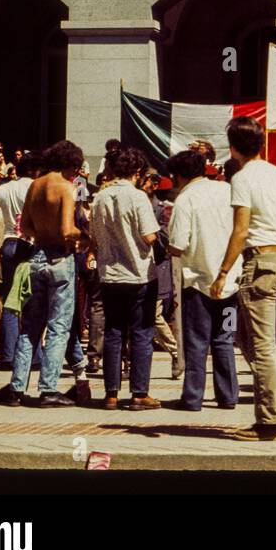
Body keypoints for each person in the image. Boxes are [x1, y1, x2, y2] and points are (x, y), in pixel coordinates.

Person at [210, 115, 276, 441]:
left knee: (261, 345)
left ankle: (271, 421)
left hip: (259, 262)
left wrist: (223, 271)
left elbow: (240, 230)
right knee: (246, 339)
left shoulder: (242, 178)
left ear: (234, 147)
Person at [0, 140, 85, 407]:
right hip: (59, 258)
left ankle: (17, 387)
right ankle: (48, 389)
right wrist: (86, 237)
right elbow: (68, 230)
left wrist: (45, 232)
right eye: (76, 169)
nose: (76, 175)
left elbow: (27, 229)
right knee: (58, 327)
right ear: (70, 164)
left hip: (37, 257)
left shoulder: (35, 184)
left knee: (30, 326)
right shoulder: (66, 188)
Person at [165, 149, 239, 412]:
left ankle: (193, 397)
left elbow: (178, 243)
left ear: (179, 175)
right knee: (225, 338)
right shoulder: (227, 191)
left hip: (198, 283)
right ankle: (229, 395)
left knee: (197, 341)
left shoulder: (185, 201)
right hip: (232, 281)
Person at [90, 147, 162, 411]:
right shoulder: (138, 197)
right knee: (141, 333)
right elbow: (149, 236)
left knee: (113, 332)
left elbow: (94, 237)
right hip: (139, 273)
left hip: (109, 274)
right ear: (137, 171)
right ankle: (139, 393)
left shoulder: (99, 198)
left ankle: (110, 393)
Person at [0, 151, 43, 369]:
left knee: (8, 301)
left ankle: (8, 355)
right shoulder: (36, 187)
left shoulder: (7, 188)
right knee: (32, 301)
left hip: (8, 243)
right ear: (36, 170)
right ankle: (33, 356)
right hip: (30, 244)